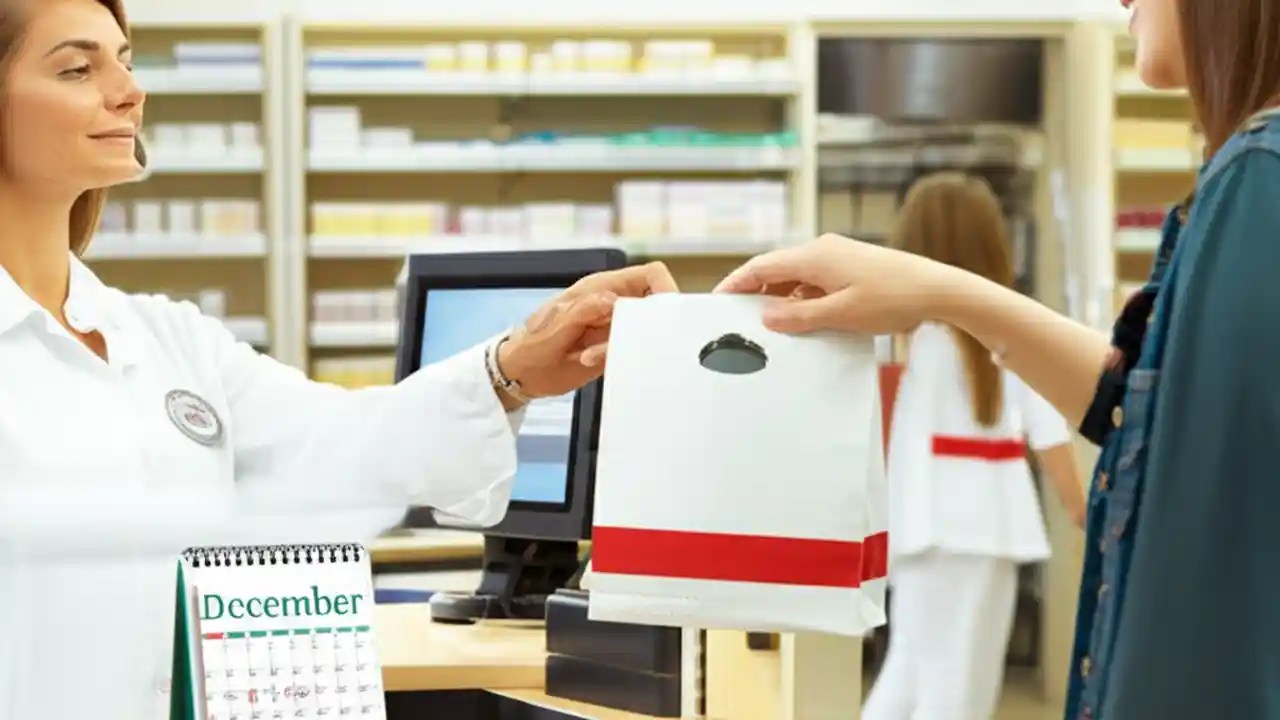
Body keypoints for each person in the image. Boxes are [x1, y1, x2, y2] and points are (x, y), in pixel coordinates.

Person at [0, 1, 677, 717]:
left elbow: (345, 441)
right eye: (78, 68)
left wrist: (512, 369)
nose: (129, 91)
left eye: (126, 61)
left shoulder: (170, 339)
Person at [716, 0, 1280, 716]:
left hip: (928, 525)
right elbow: (1145, 411)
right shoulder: (1249, 178)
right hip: (972, 526)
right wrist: (947, 294)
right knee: (946, 679)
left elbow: (1187, 490)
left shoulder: (1257, 180)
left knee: (922, 673)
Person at [861, 172, 1085, 720]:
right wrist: (1087, 511)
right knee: (958, 683)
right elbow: (1051, 434)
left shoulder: (898, 334)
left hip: (916, 529)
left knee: (914, 668)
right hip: (984, 530)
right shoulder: (1009, 329)